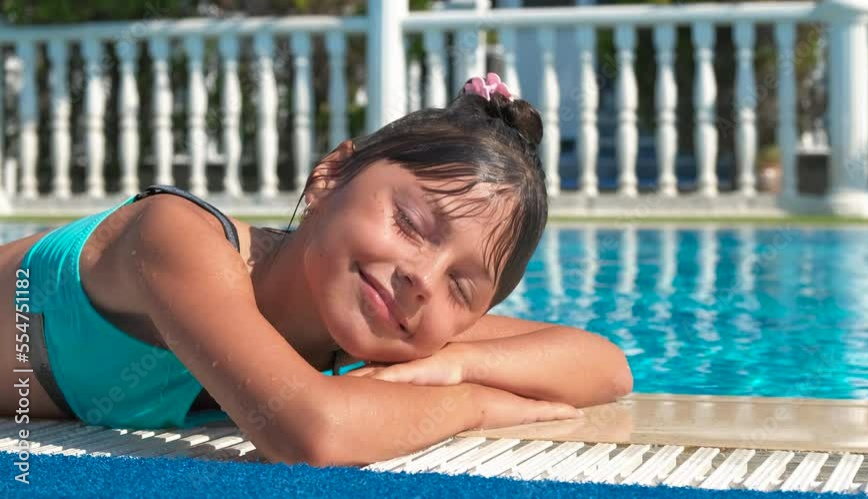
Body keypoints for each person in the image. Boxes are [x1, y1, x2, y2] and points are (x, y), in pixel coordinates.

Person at [0, 73, 632, 466]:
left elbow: (605, 365)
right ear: (330, 174)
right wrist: (473, 405)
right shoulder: (177, 237)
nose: (423, 278)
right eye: (410, 222)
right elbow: (311, 434)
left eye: (462, 286)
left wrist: (457, 363)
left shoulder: (389, 314)